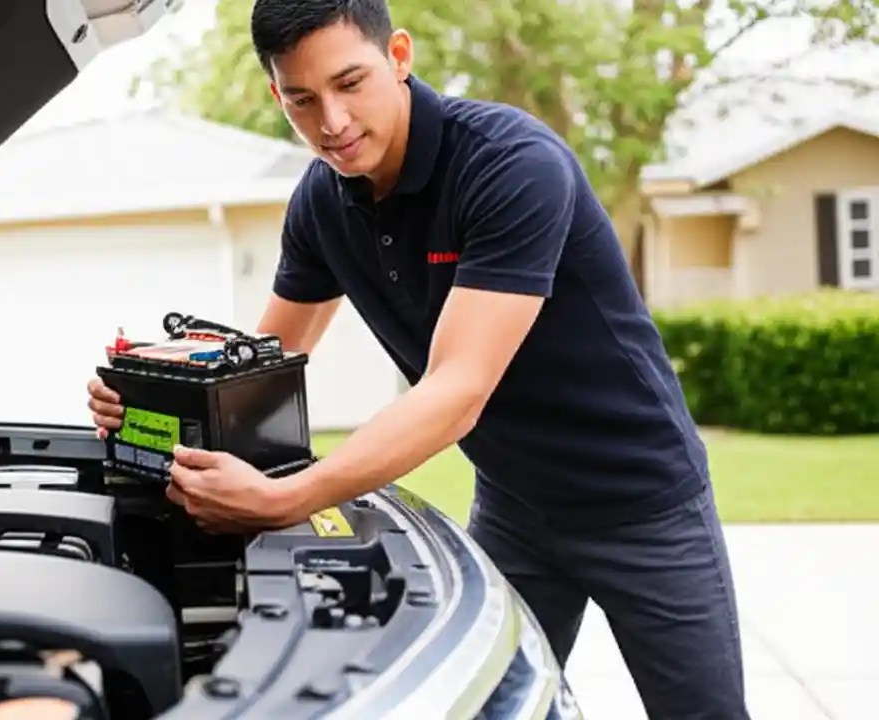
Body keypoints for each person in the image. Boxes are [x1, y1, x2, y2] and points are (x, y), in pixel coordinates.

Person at [86, 0, 749, 717]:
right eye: (303, 99)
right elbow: (264, 366)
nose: (332, 122)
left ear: (399, 56)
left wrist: (288, 498)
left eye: (350, 83)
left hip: (641, 502)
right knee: (491, 709)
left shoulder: (510, 165)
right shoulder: (319, 203)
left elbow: (458, 388)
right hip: (515, 504)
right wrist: (154, 396)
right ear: (277, 96)